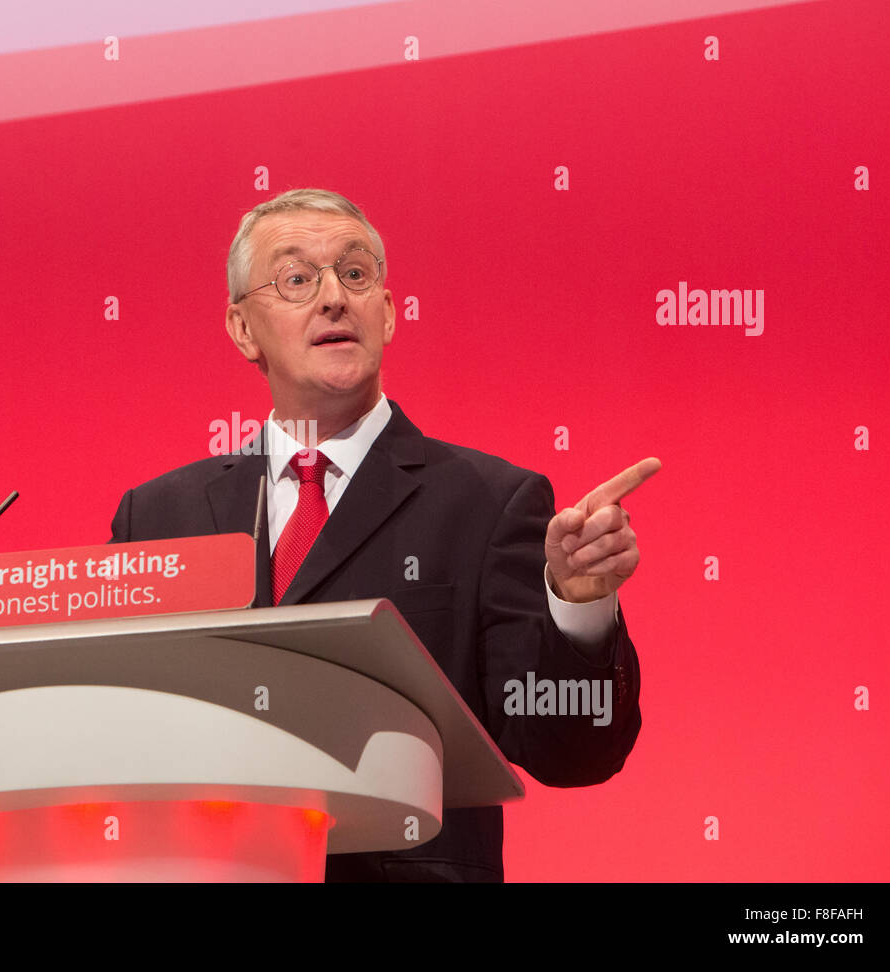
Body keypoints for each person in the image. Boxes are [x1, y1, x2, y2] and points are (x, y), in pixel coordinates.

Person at [106, 187, 658, 881]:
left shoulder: (488, 503)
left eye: (356, 273)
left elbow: (570, 753)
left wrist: (578, 609)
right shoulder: (156, 517)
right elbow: (114, 732)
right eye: (297, 278)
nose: (334, 297)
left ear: (389, 314)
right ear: (243, 329)